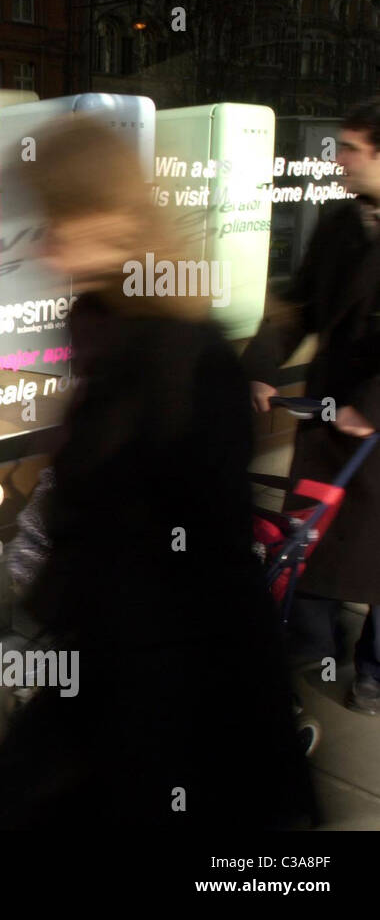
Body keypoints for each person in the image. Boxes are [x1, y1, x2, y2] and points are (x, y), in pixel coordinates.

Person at [0, 115, 316, 829]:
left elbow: (200, 560)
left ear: (111, 218)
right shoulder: (107, 330)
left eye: (60, 221)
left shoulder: (183, 359)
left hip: (170, 689)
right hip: (111, 668)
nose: (47, 246)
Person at [243, 97, 380, 715]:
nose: (339, 157)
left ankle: (375, 671)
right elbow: (298, 305)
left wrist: (372, 406)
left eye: (351, 147)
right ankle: (314, 643)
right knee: (312, 534)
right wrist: (262, 368)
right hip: (327, 415)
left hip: (373, 420)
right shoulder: (338, 221)